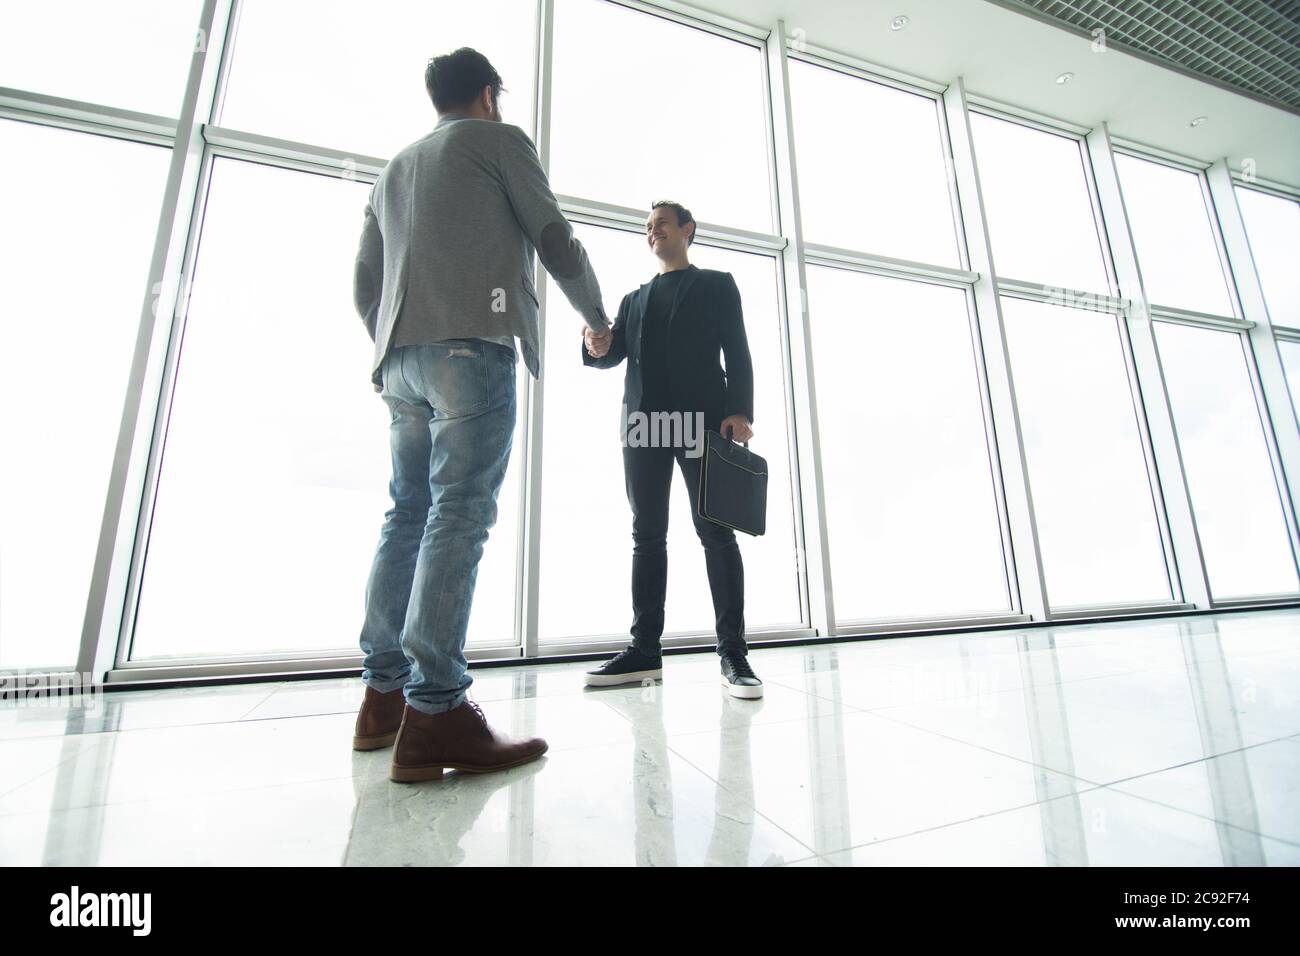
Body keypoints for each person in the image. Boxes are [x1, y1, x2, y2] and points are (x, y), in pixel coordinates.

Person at [350, 47, 613, 782]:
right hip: (471, 348)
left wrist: (396, 341)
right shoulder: (500, 142)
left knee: (408, 514)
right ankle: (435, 711)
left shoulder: (394, 169)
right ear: (490, 95)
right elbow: (554, 238)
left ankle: (382, 698)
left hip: (401, 361)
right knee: (457, 517)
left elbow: (364, 281)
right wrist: (597, 318)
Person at [580, 201, 762, 699]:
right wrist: (595, 346)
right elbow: (609, 354)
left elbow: (738, 350)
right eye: (647, 227)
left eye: (661, 223)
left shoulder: (717, 285)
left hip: (702, 422)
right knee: (647, 535)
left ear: (687, 229)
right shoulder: (634, 300)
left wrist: (740, 410)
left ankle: (733, 653)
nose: (652, 231)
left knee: (716, 533)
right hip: (643, 425)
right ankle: (645, 651)